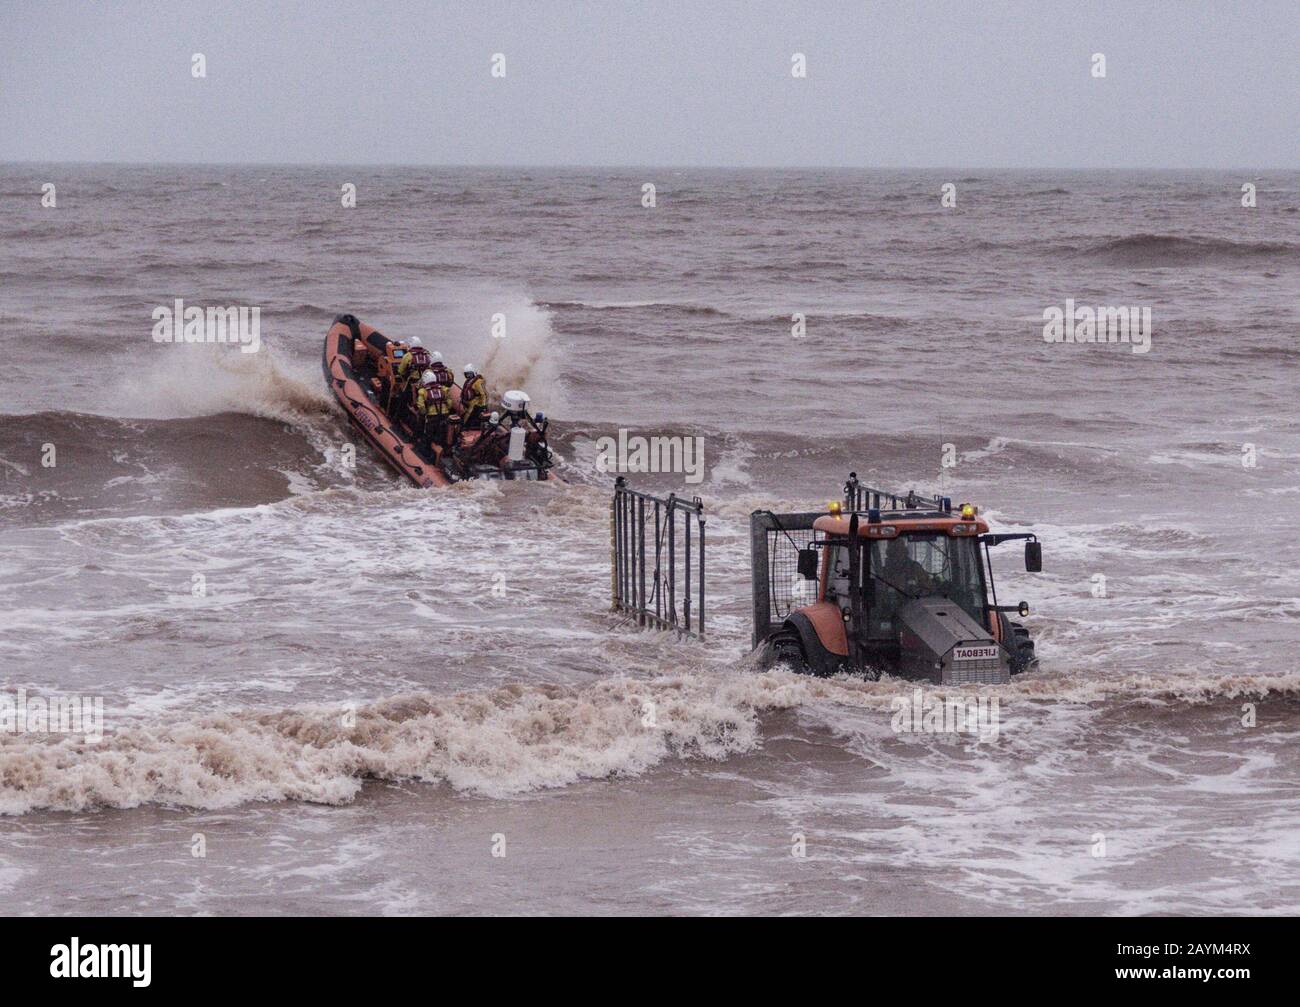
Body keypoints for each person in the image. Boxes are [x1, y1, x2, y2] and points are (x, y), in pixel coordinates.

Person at [413, 369, 452, 455]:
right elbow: (449, 402)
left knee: (428, 433)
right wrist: (447, 410)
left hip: (432, 416)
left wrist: (423, 414)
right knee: (442, 431)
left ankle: (426, 451)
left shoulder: (423, 392)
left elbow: (421, 406)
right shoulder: (444, 389)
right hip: (444, 414)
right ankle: (443, 448)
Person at [460, 364, 488, 428]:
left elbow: (483, 394)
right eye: (466, 374)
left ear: (473, 373)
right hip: (469, 402)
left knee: (467, 417)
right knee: (465, 415)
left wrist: (483, 406)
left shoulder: (478, 382)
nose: (468, 376)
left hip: (476, 403)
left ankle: (465, 426)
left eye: (469, 374)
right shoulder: (469, 381)